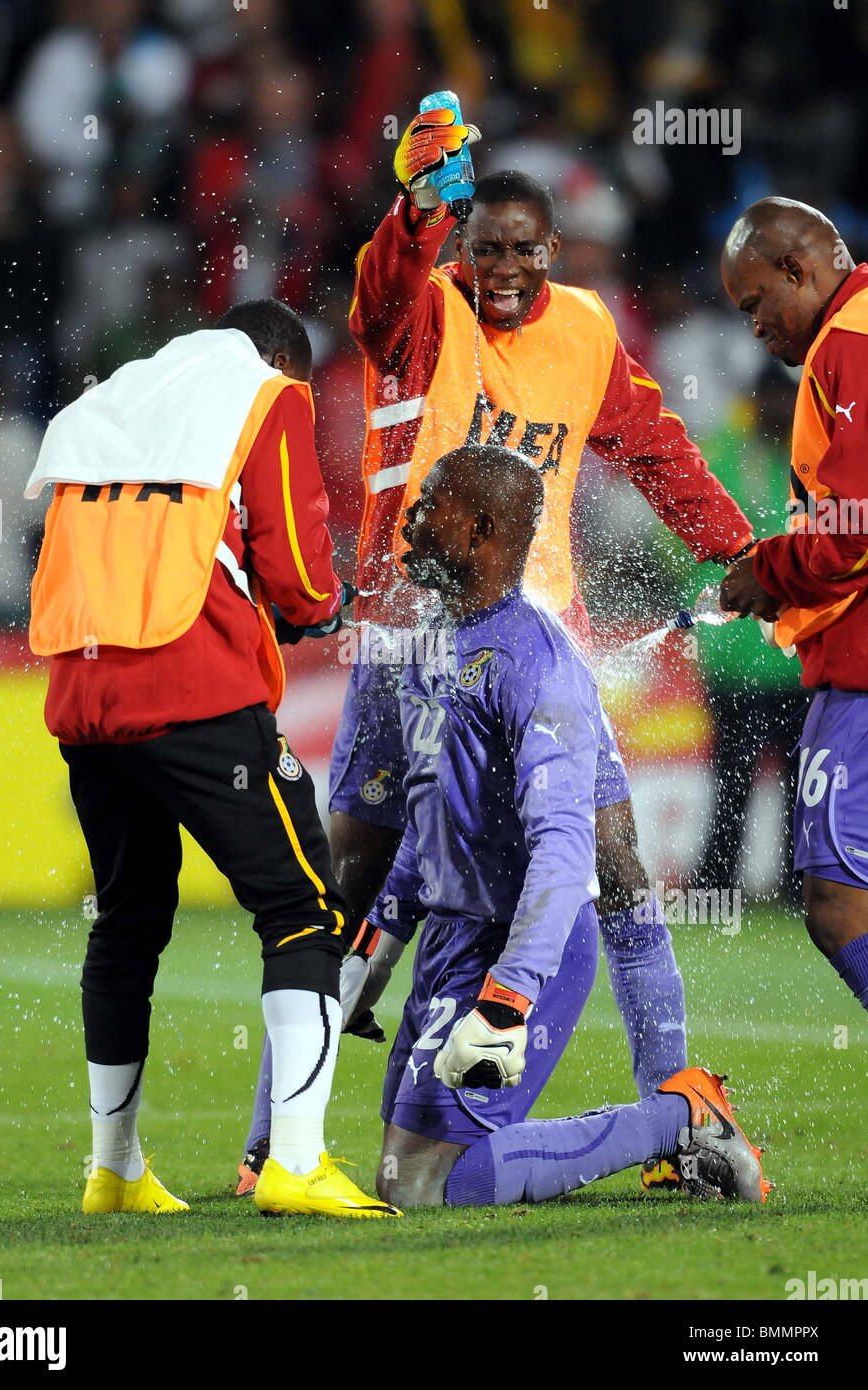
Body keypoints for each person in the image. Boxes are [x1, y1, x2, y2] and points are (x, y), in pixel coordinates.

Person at [237, 106, 756, 1191]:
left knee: (614, 873)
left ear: (552, 251)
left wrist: (736, 551)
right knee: (349, 881)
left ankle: (673, 1103)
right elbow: (378, 293)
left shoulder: (583, 331)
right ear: (463, 249)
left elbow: (654, 449)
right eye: (488, 249)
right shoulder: (424, 311)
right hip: (405, 645)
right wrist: (417, 206)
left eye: (525, 250)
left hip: (535, 644)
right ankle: (267, 1146)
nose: (506, 270)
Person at [25, 297, 399, 1220]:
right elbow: (298, 571)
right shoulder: (267, 395)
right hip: (190, 688)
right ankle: (298, 1163)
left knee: (127, 921)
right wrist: (322, 604)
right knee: (304, 910)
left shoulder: (112, 395)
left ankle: (113, 1168)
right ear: (283, 362)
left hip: (81, 693)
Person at [349, 443, 769, 1208]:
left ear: (478, 530)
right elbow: (427, 819)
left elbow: (563, 847)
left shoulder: (535, 661)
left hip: (518, 944)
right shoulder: (427, 647)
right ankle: (671, 1117)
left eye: (430, 503)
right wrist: (377, 943)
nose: (410, 517)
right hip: (449, 936)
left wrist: (509, 994)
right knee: (395, 1176)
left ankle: (679, 1114)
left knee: (421, 1186)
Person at [719, 197, 868, 1028]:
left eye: (754, 304)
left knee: (837, 904)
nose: (752, 328)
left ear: (796, 271)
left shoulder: (851, 342)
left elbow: (852, 523)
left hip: (864, 671)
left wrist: (769, 571)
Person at [692, 365, 810, 900]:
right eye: (767, 399)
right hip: (739, 659)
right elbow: (683, 544)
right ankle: (720, 885)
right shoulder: (718, 455)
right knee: (734, 779)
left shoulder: (809, 460)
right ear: (753, 402)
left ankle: (795, 884)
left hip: (795, 657)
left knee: (799, 786)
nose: (775, 409)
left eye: (783, 401)